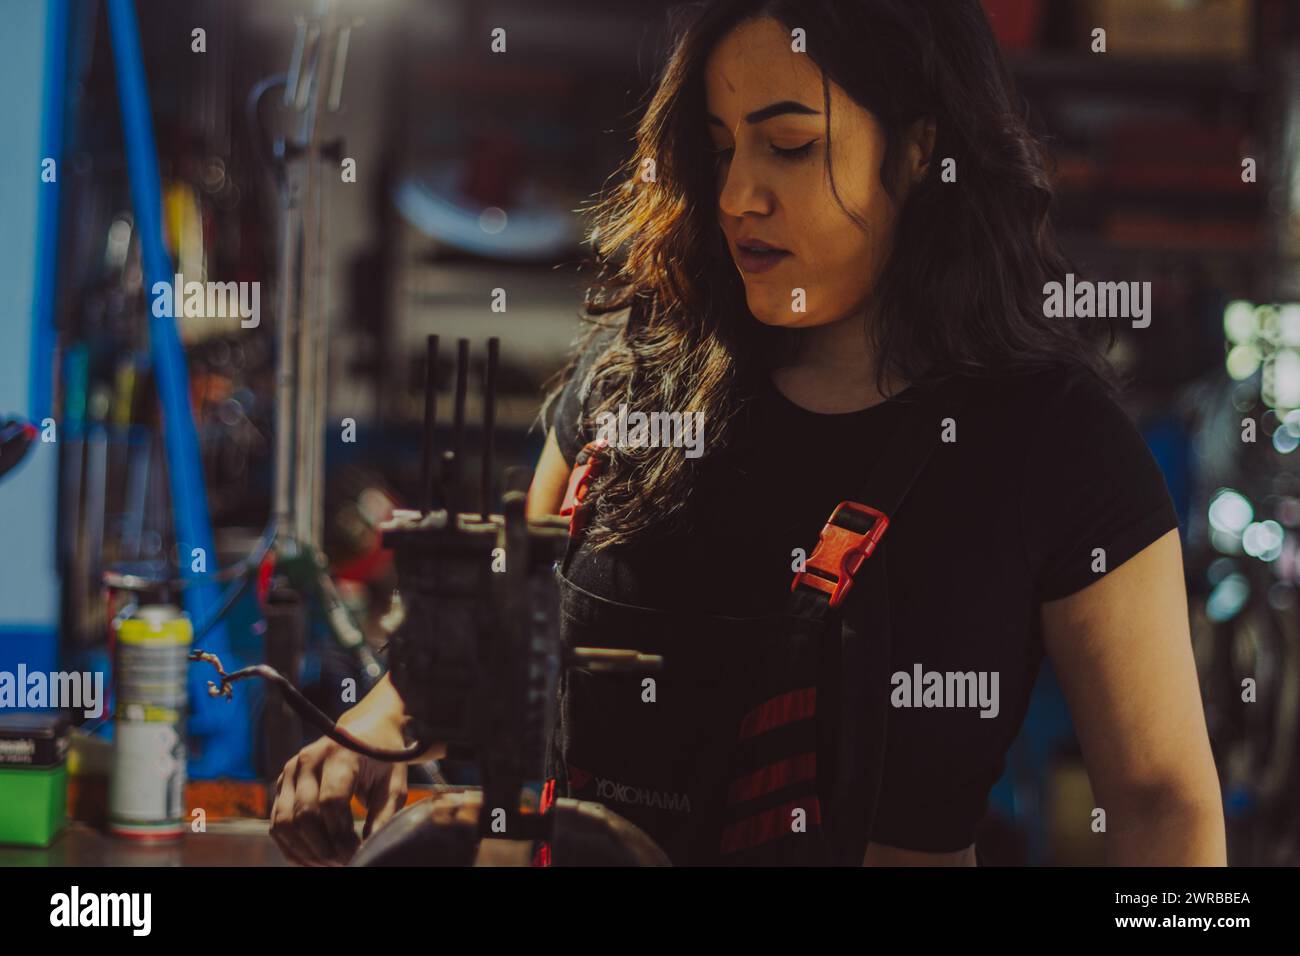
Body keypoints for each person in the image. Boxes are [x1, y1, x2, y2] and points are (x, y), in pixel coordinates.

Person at [270, 0, 1225, 867]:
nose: (736, 196)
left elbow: (1161, 806)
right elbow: (509, 626)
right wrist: (385, 717)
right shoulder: (634, 384)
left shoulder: (1053, 439)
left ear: (918, 151)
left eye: (791, 146)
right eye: (723, 148)